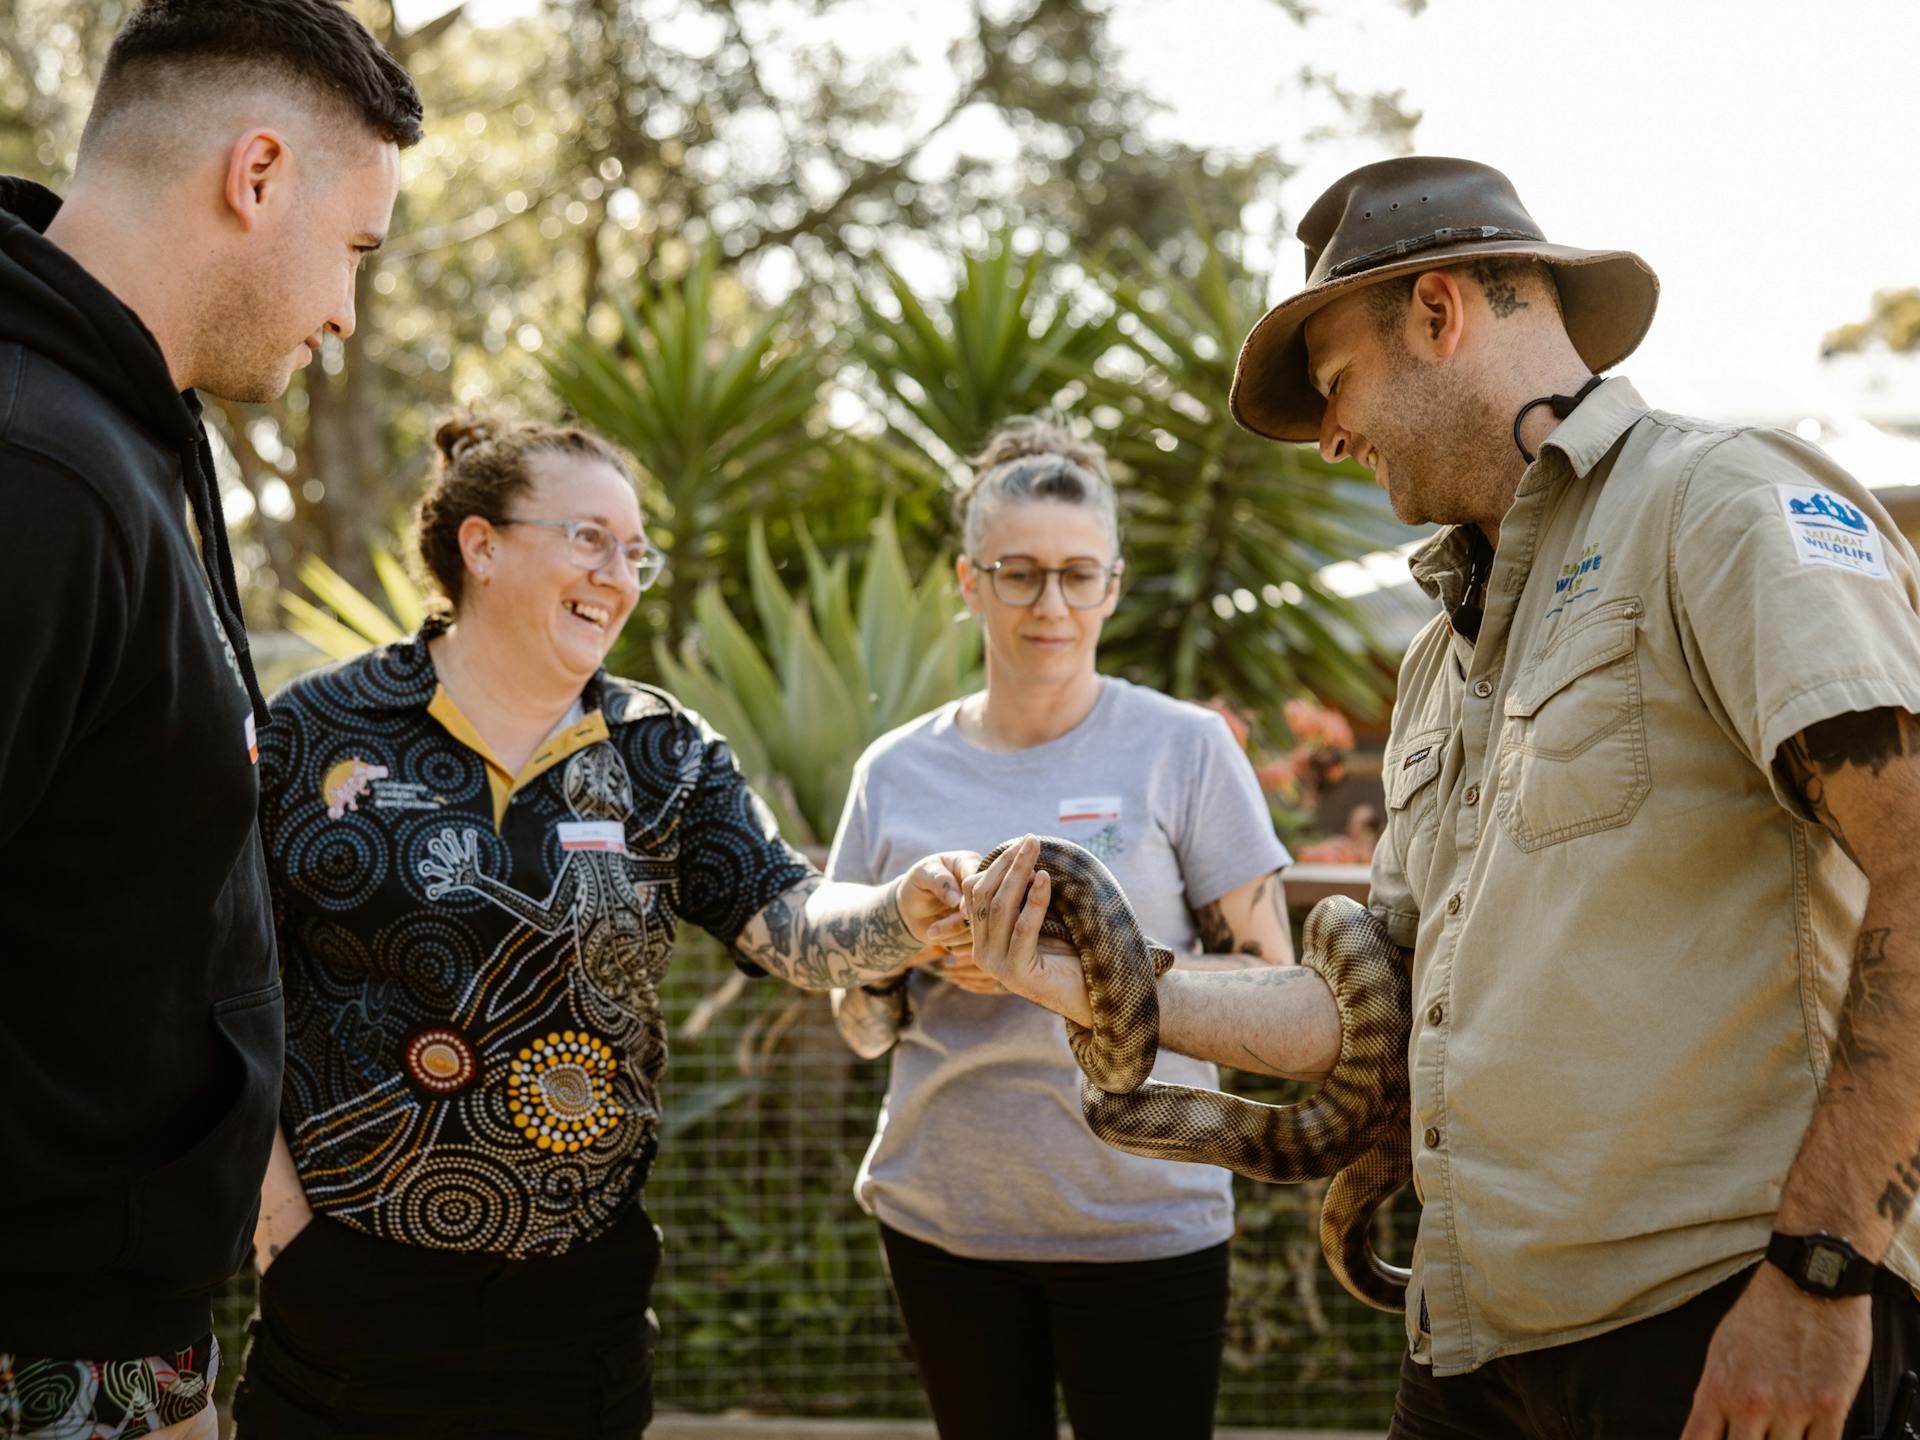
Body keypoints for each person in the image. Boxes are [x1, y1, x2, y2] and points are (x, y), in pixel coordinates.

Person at [964, 156, 1920, 1440]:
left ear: (1436, 310)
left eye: (1335, 385)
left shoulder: (1719, 504)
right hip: (1476, 1341)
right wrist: (1106, 984)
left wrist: (1822, 1272)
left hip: (1710, 1322)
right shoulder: (1437, 655)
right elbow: (1379, 997)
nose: (1334, 436)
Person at [235, 413, 974, 1438]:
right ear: (480, 547)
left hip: (580, 1304)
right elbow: (225, 983)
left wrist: (908, 909)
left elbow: (786, 918)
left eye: (635, 551)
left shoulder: (661, 748)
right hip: (352, 1288)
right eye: (588, 538)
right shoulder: (318, 728)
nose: (619, 576)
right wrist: (284, 1233)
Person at [0, 5, 419, 1437]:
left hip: (122, 1327)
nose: (349, 310)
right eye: (355, 249)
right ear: (257, 175)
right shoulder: (32, 466)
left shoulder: (120, 434)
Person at [826, 416, 1296, 1439]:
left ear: (1114, 585)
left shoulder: (1187, 750)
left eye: (1078, 576)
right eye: (1020, 574)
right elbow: (859, 1027)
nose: (1051, 604)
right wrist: (906, 952)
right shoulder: (894, 771)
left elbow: (1275, 980)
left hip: (1148, 1221)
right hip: (943, 1222)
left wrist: (1079, 972)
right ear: (969, 580)